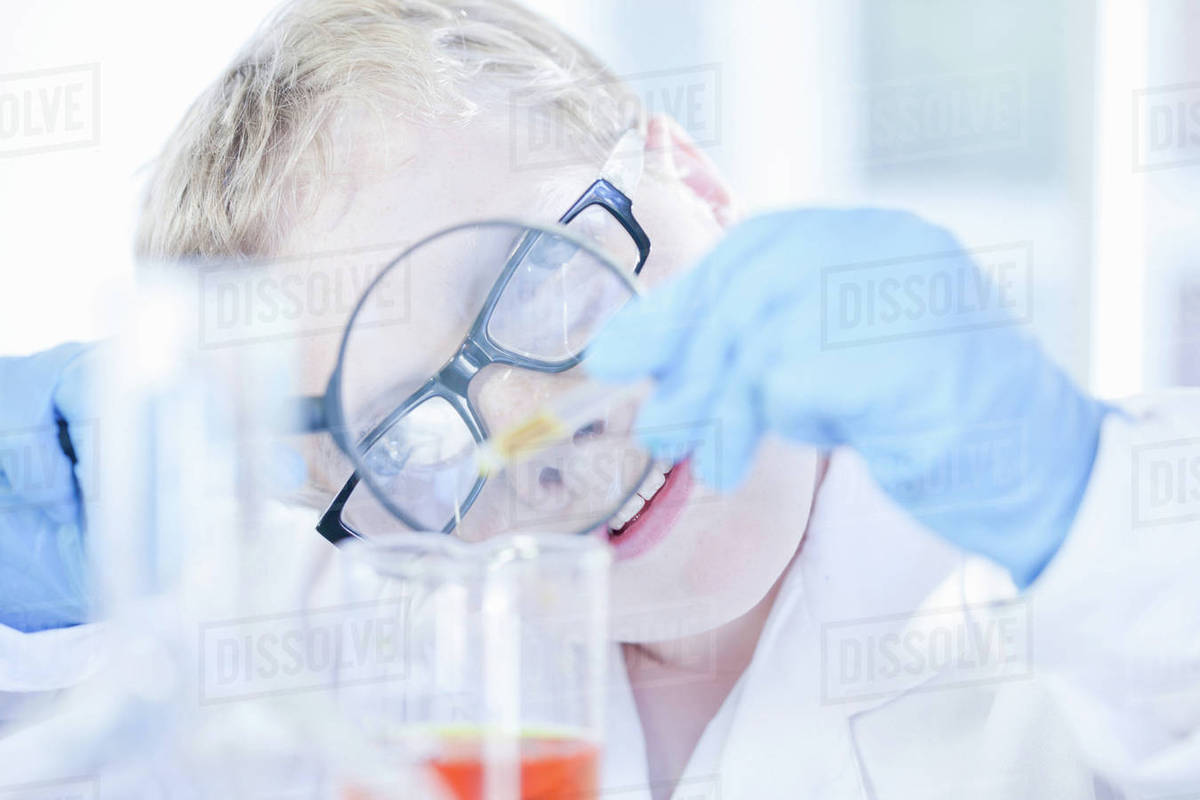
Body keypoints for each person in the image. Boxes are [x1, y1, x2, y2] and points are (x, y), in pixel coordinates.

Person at [3, 1, 1198, 798]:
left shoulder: (1086, 569)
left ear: (691, 178)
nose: (545, 424)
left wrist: (1080, 499)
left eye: (539, 279)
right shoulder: (355, 674)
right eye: (415, 427)